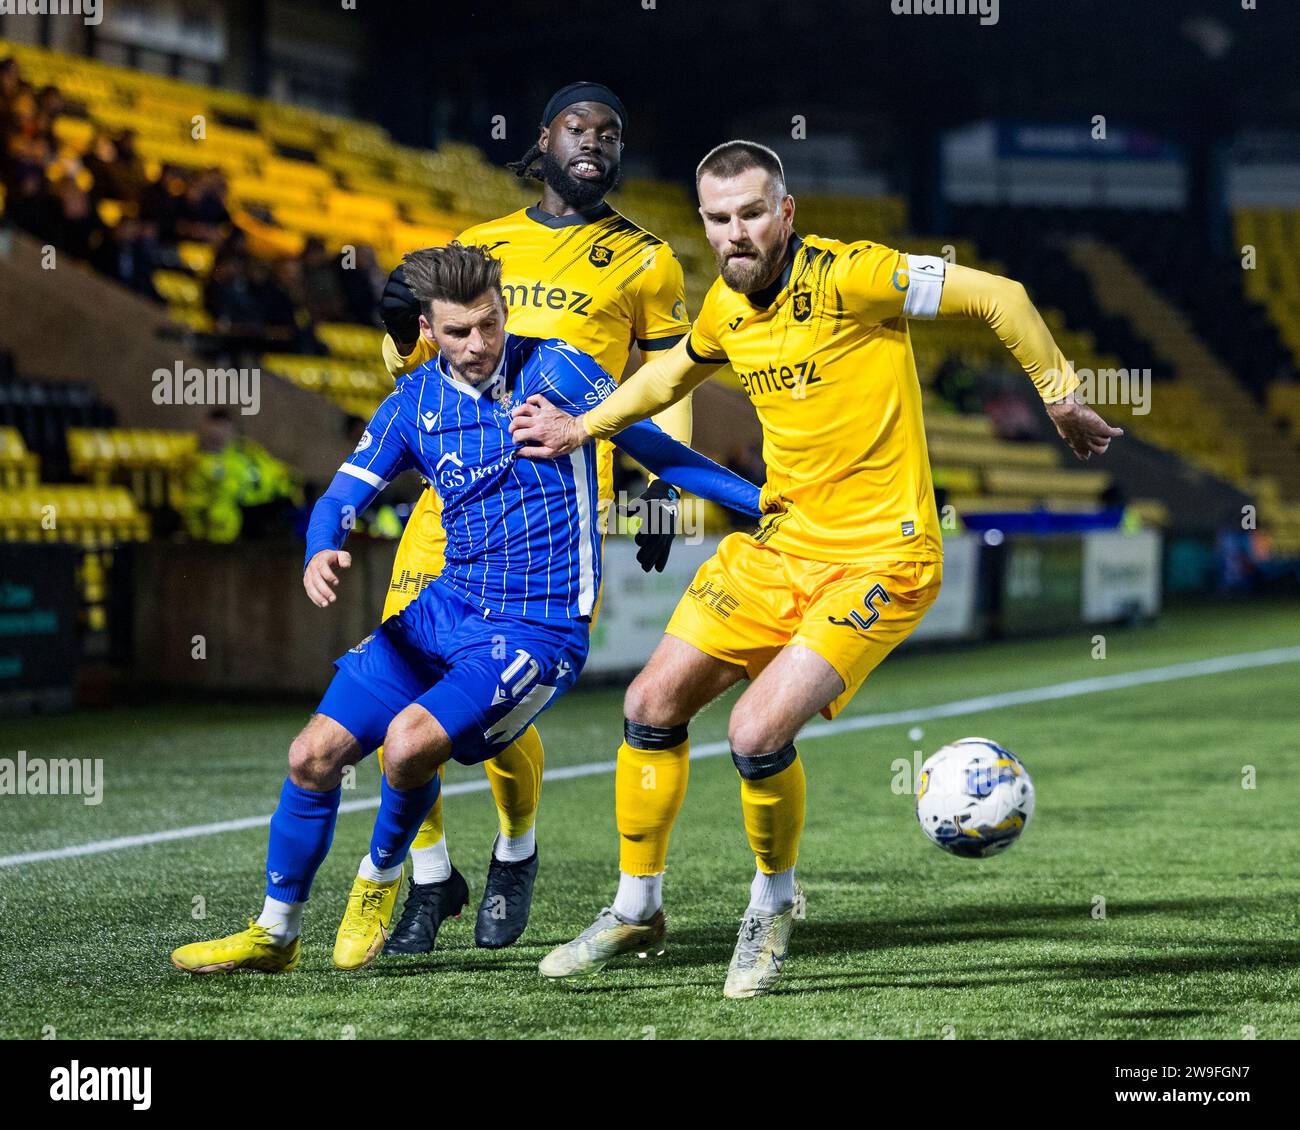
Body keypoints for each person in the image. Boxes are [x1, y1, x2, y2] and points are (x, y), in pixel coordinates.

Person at [511, 139, 1122, 998]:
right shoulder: (725, 306)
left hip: (884, 553)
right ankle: (636, 906)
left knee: (755, 733)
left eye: (752, 212)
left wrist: (1057, 391)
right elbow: (668, 376)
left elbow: (999, 295)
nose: (736, 233)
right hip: (783, 543)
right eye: (719, 219)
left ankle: (773, 903)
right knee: (648, 704)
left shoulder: (855, 277)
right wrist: (584, 427)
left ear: (786, 213)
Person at [169, 242, 760, 976]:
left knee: (410, 743)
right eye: (458, 332)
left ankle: (380, 880)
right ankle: (276, 932)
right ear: (427, 330)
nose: (479, 344)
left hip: (538, 628)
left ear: (504, 308)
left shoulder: (561, 370)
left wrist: (766, 505)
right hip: (445, 609)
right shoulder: (414, 404)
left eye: (489, 323)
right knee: (311, 756)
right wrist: (321, 547)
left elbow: (661, 455)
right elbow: (341, 495)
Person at [371, 81, 696, 956]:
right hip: (450, 501)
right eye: (579, 127)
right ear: (545, 138)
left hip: (549, 512)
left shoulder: (647, 259)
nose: (596, 141)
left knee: (493, 709)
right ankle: (432, 880)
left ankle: (515, 851)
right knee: (404, 686)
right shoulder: (479, 245)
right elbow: (414, 362)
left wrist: (664, 486)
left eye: (612, 133)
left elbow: (668, 378)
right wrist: (394, 323)